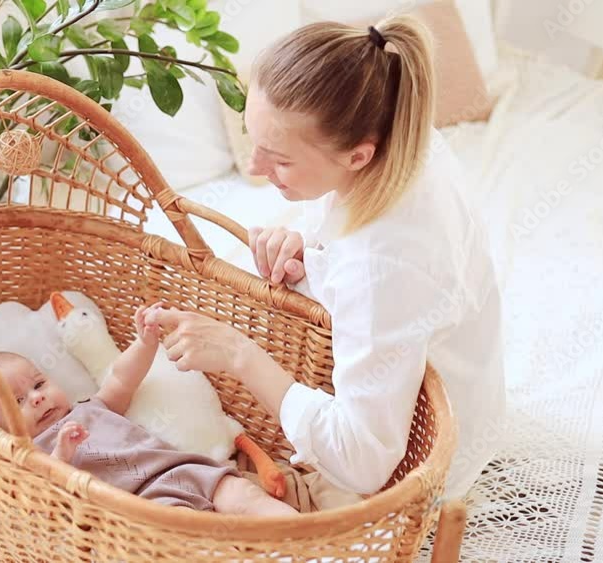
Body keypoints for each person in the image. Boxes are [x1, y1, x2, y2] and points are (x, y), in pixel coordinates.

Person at [148, 16, 506, 499]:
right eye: (253, 140)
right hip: (468, 390)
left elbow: (363, 462)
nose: (255, 167)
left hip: (425, 471)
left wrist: (239, 354)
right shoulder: (406, 142)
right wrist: (307, 248)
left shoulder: (382, 264)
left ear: (358, 156)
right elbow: (356, 260)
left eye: (280, 159)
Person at [0, 303, 297, 516]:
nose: (36, 398)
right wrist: (60, 455)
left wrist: (145, 343)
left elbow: (122, 379)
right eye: (17, 402)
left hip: (181, 469)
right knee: (190, 533)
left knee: (243, 494)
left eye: (39, 383)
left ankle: (303, 544)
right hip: (143, 504)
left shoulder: (89, 407)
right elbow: (48, 498)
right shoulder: (33, 456)